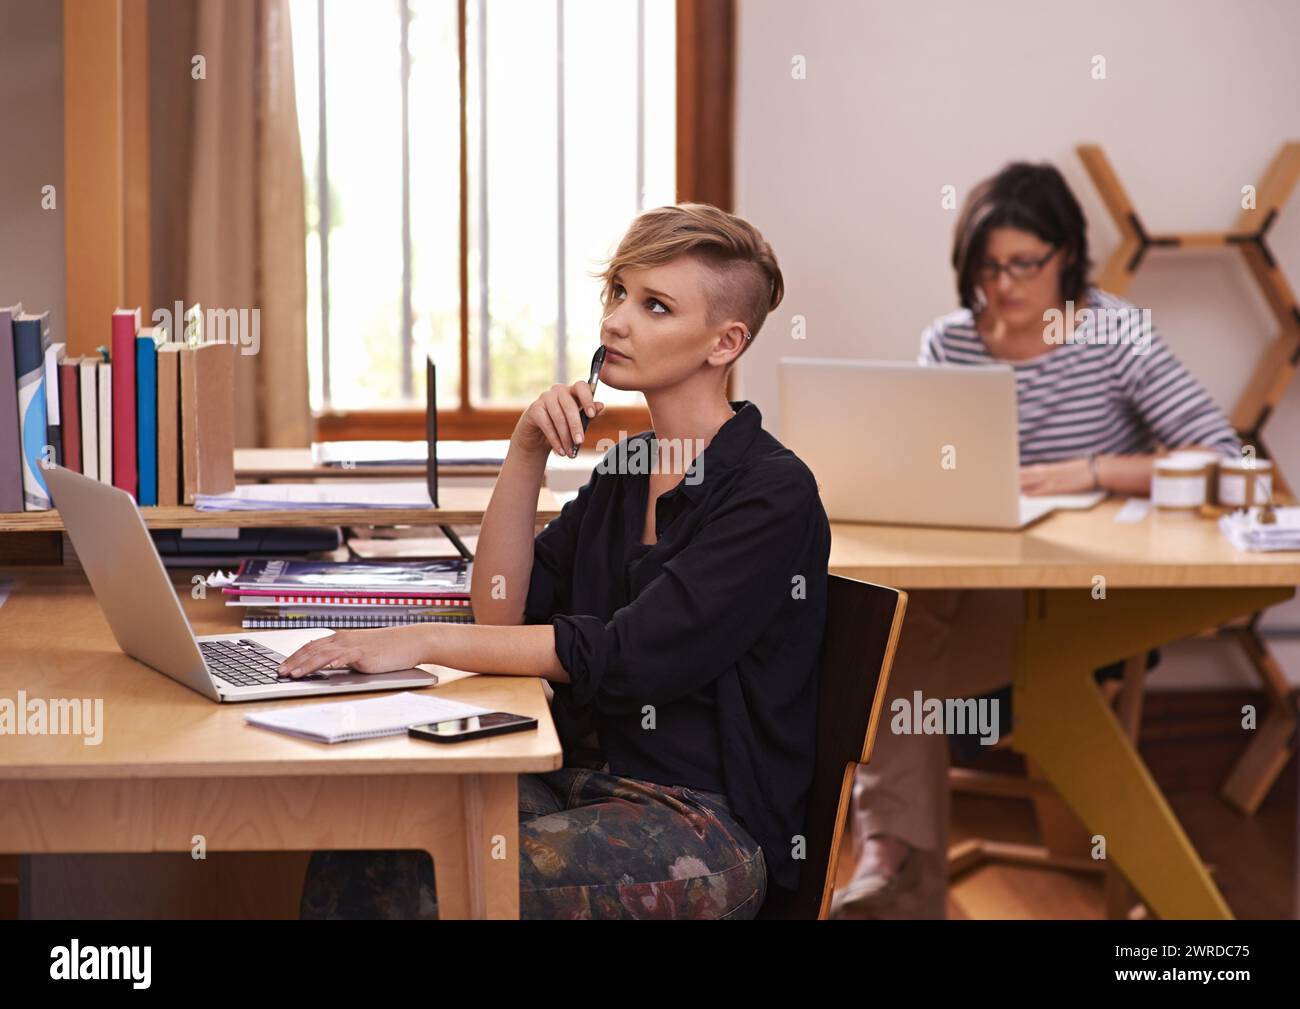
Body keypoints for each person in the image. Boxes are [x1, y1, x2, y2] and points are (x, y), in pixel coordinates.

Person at [280, 203, 832, 919]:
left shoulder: (772, 493)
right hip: (580, 777)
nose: (616, 322)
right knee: (365, 843)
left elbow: (629, 652)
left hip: (701, 822)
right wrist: (524, 453)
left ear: (724, 342)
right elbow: (501, 604)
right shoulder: (630, 467)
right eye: (618, 293)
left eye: (654, 305)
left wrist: (419, 638)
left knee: (412, 886)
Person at [832, 162, 1242, 919]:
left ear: (1067, 256)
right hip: (971, 582)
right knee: (892, 616)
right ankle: (897, 862)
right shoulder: (951, 342)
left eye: (1025, 262)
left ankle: (893, 863)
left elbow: (1220, 455)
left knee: (887, 643)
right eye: (989, 265)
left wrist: (1088, 470)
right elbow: (927, 468)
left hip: (1078, 596)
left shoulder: (1114, 333)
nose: (1006, 283)